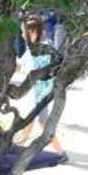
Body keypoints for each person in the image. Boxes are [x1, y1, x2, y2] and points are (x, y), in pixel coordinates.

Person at [16, 17, 63, 153]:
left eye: (24, 32)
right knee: (30, 122)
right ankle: (17, 146)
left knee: (43, 123)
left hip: (41, 94)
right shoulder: (40, 47)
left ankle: (61, 152)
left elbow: (23, 67)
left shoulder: (39, 49)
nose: (22, 35)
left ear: (33, 31)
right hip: (40, 93)